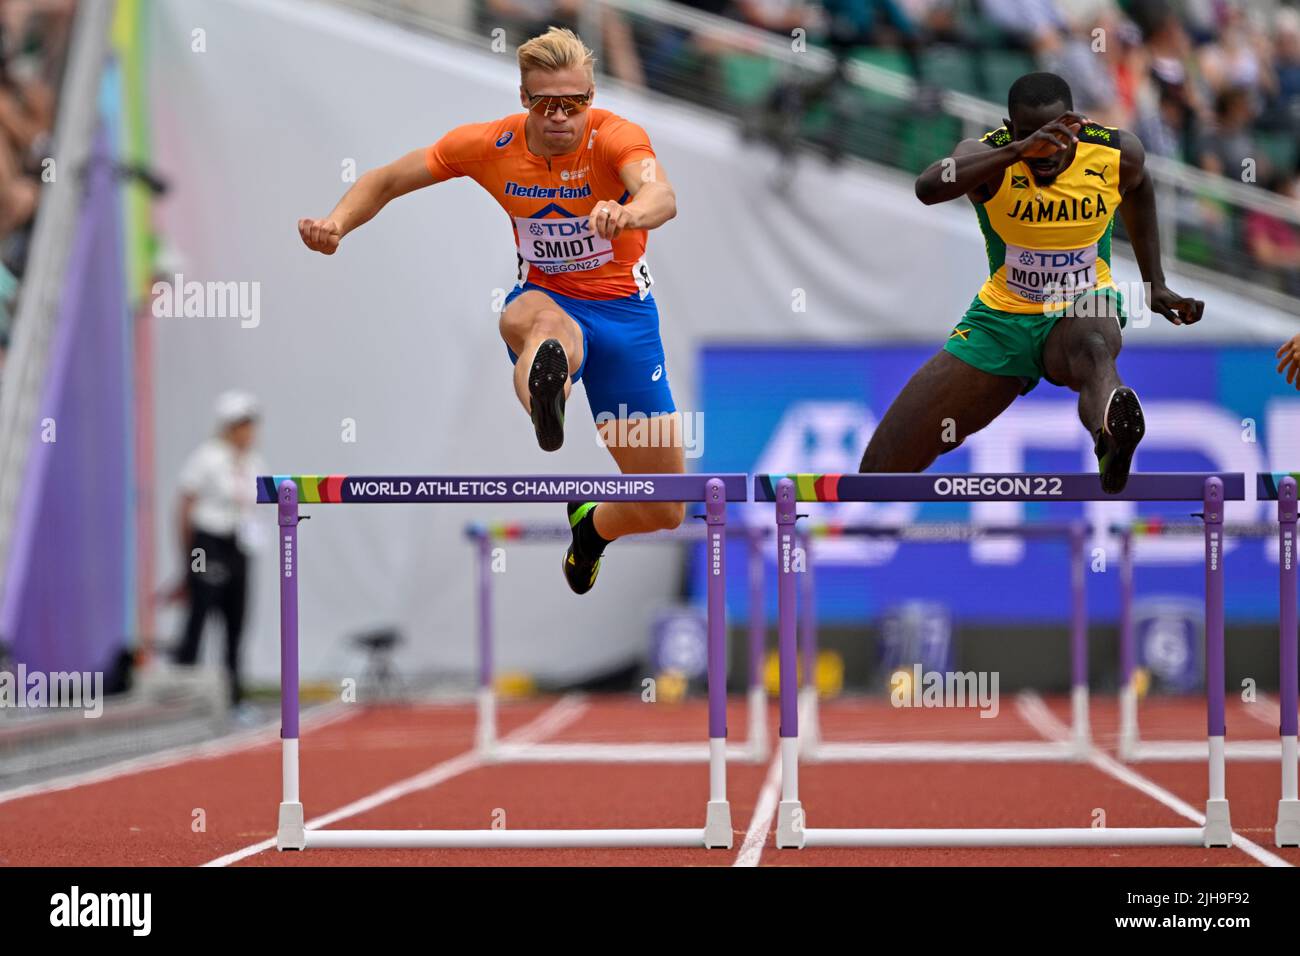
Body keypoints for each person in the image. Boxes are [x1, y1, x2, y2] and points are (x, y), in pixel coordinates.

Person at [298, 27, 683, 595]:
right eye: (546, 104)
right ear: (524, 99)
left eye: (573, 104)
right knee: (551, 337)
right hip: (545, 300)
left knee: (666, 507)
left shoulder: (615, 138)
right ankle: (547, 399)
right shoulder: (489, 145)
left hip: (627, 320)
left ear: (591, 99)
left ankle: (592, 526)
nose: (560, 117)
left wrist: (631, 214)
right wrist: (337, 223)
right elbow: (386, 179)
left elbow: (662, 195)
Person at [859, 72, 1204, 493]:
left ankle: (1110, 438)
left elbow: (1138, 187)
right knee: (878, 471)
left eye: (1056, 137)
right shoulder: (987, 156)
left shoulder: (1116, 153)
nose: (1043, 153)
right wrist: (1016, 151)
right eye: (1028, 137)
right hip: (1001, 321)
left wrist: (1155, 284)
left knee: (1094, 349)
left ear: (1074, 125)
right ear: (1010, 129)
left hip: (1082, 305)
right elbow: (928, 187)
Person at [173, 391, 265, 717]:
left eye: (252, 425)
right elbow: (185, 504)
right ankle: (182, 696)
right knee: (199, 612)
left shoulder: (254, 462)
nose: (250, 432)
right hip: (205, 543)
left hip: (238, 544)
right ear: (229, 427)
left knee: (236, 619)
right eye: (243, 425)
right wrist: (189, 558)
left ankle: (234, 697)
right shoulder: (207, 458)